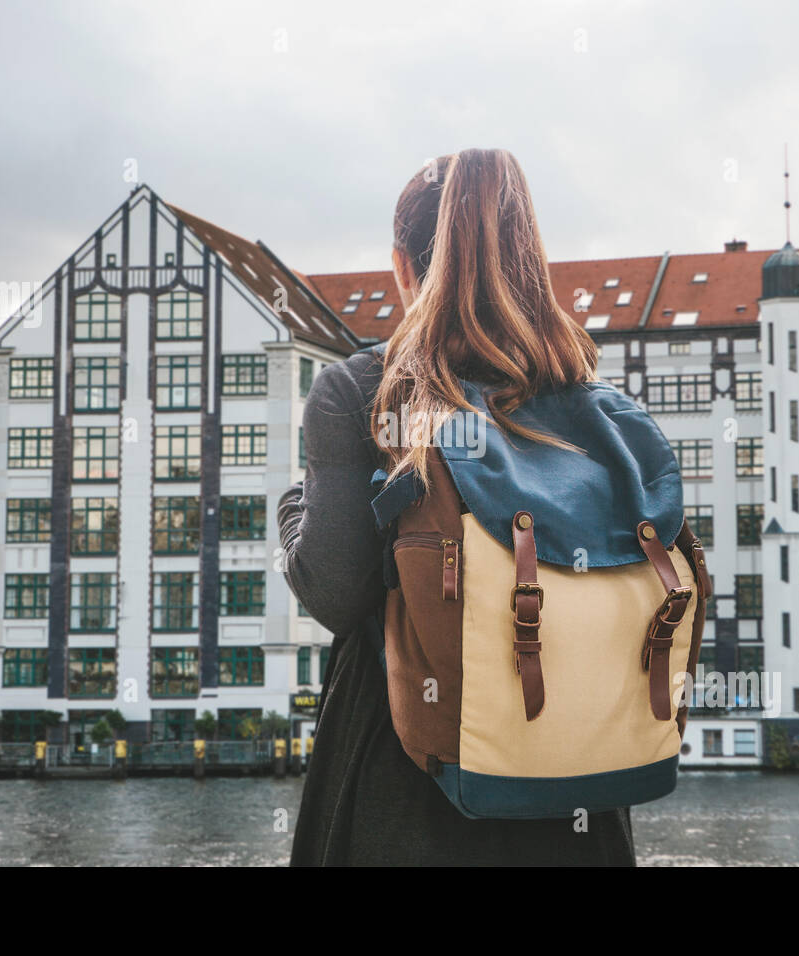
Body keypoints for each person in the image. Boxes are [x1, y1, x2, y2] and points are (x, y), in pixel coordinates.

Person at [277, 148, 637, 865]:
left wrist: (295, 505)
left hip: (406, 781)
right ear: (527, 256)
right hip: (574, 778)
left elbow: (336, 590)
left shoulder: (361, 390)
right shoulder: (590, 401)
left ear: (403, 266)